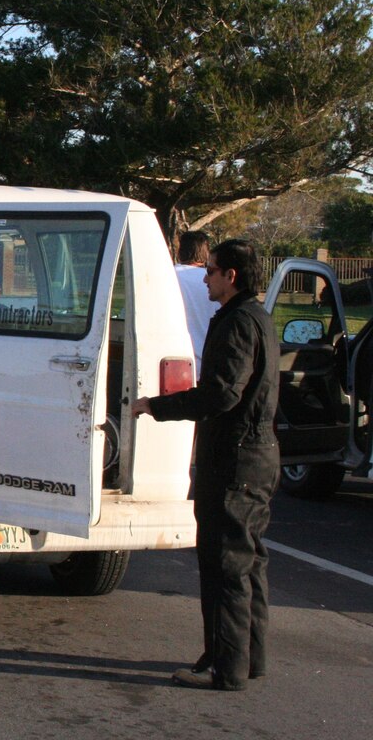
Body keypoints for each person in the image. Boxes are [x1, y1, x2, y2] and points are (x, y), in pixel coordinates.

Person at [132, 239, 279, 691]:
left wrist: (155, 406)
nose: (205, 277)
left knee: (225, 563)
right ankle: (248, 657)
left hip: (234, 458)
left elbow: (222, 393)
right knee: (249, 560)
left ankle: (223, 665)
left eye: (211, 270)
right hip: (257, 455)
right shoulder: (259, 318)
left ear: (231, 275)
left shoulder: (237, 323)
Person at [175, 230, 219, 377]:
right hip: (207, 367)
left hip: (172, 365)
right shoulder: (217, 281)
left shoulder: (167, 275)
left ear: (180, 251)